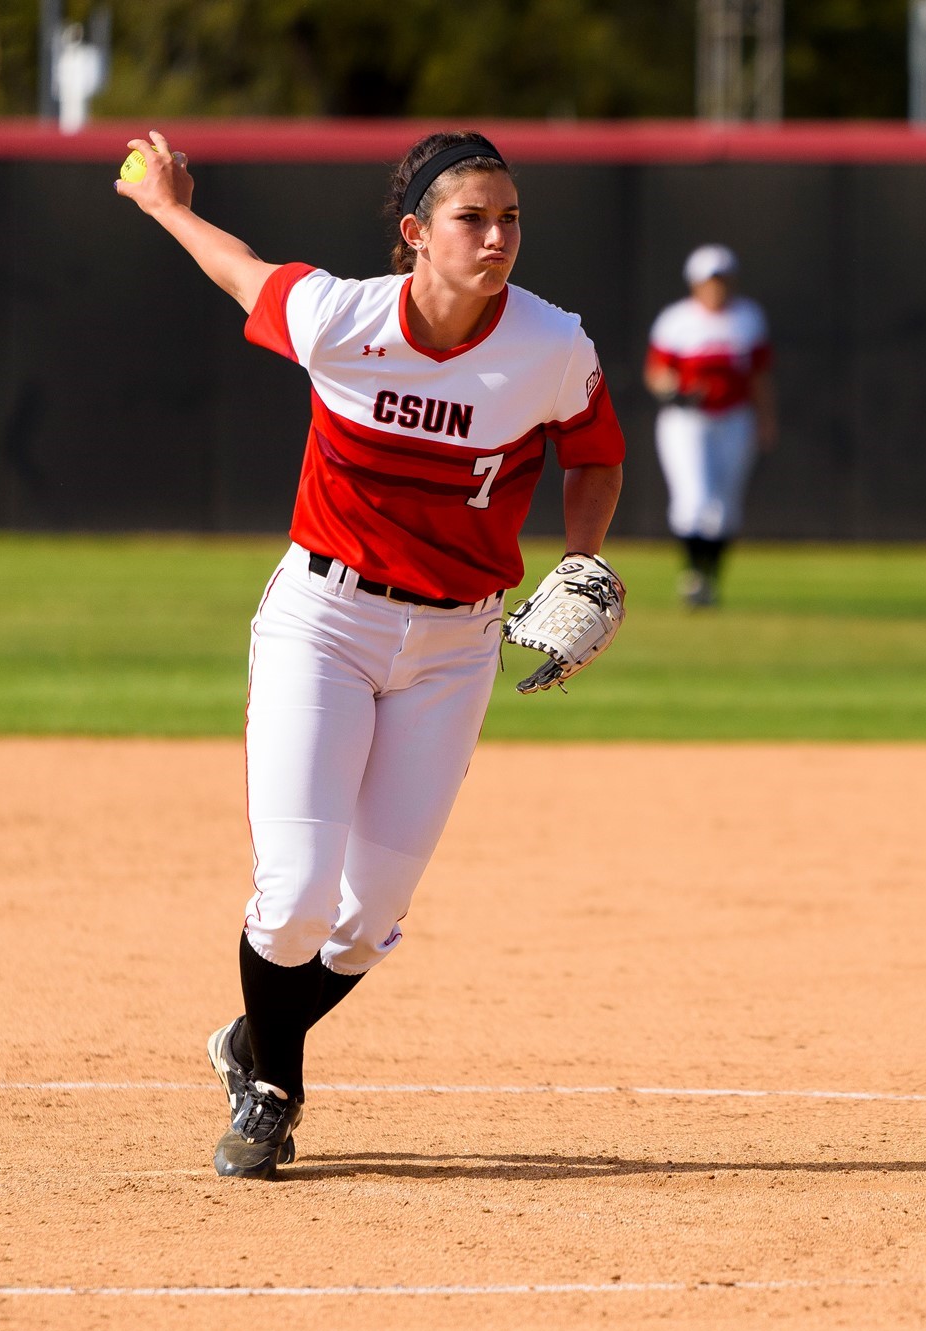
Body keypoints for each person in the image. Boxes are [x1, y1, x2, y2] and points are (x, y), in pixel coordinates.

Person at [115, 128, 625, 1178]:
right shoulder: (339, 315)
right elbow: (241, 270)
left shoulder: (551, 345)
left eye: (510, 217)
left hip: (455, 642)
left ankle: (248, 1039)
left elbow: (597, 449)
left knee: (366, 920)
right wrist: (166, 206)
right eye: (471, 218)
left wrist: (581, 561)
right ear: (415, 234)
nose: (496, 237)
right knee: (296, 894)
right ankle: (273, 1090)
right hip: (325, 622)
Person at [644, 244, 775, 607]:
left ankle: (710, 579)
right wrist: (677, 389)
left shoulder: (747, 317)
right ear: (695, 283)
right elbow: (656, 373)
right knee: (693, 500)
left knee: (724, 507)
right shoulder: (678, 319)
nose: (716, 288)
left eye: (722, 280)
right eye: (709, 281)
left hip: (735, 418)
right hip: (687, 422)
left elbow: (759, 375)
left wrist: (766, 419)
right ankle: (692, 574)